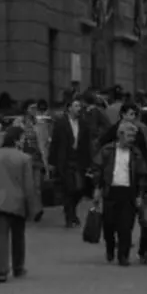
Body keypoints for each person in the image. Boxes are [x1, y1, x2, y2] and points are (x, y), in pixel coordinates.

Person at [0, 125, 39, 283]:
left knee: (1, 236)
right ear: (17, 139)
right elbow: (29, 185)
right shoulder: (24, 158)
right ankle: (18, 267)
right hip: (18, 201)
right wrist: (32, 206)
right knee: (18, 236)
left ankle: (2, 270)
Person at [97, 121, 147, 266]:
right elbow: (98, 170)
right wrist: (97, 189)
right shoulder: (107, 150)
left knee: (126, 226)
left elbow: (142, 175)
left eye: (133, 136)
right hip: (111, 191)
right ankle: (110, 246)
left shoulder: (136, 153)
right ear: (120, 135)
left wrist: (140, 194)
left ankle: (123, 255)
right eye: (129, 136)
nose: (132, 139)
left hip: (128, 192)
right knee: (108, 224)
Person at [49, 97, 95, 228]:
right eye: (76, 106)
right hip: (65, 159)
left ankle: (71, 209)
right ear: (69, 108)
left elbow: (87, 144)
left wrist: (89, 161)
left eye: (80, 106)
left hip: (80, 159)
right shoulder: (61, 123)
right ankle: (70, 216)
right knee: (68, 188)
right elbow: (55, 143)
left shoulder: (84, 124)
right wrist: (52, 162)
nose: (79, 109)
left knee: (80, 189)